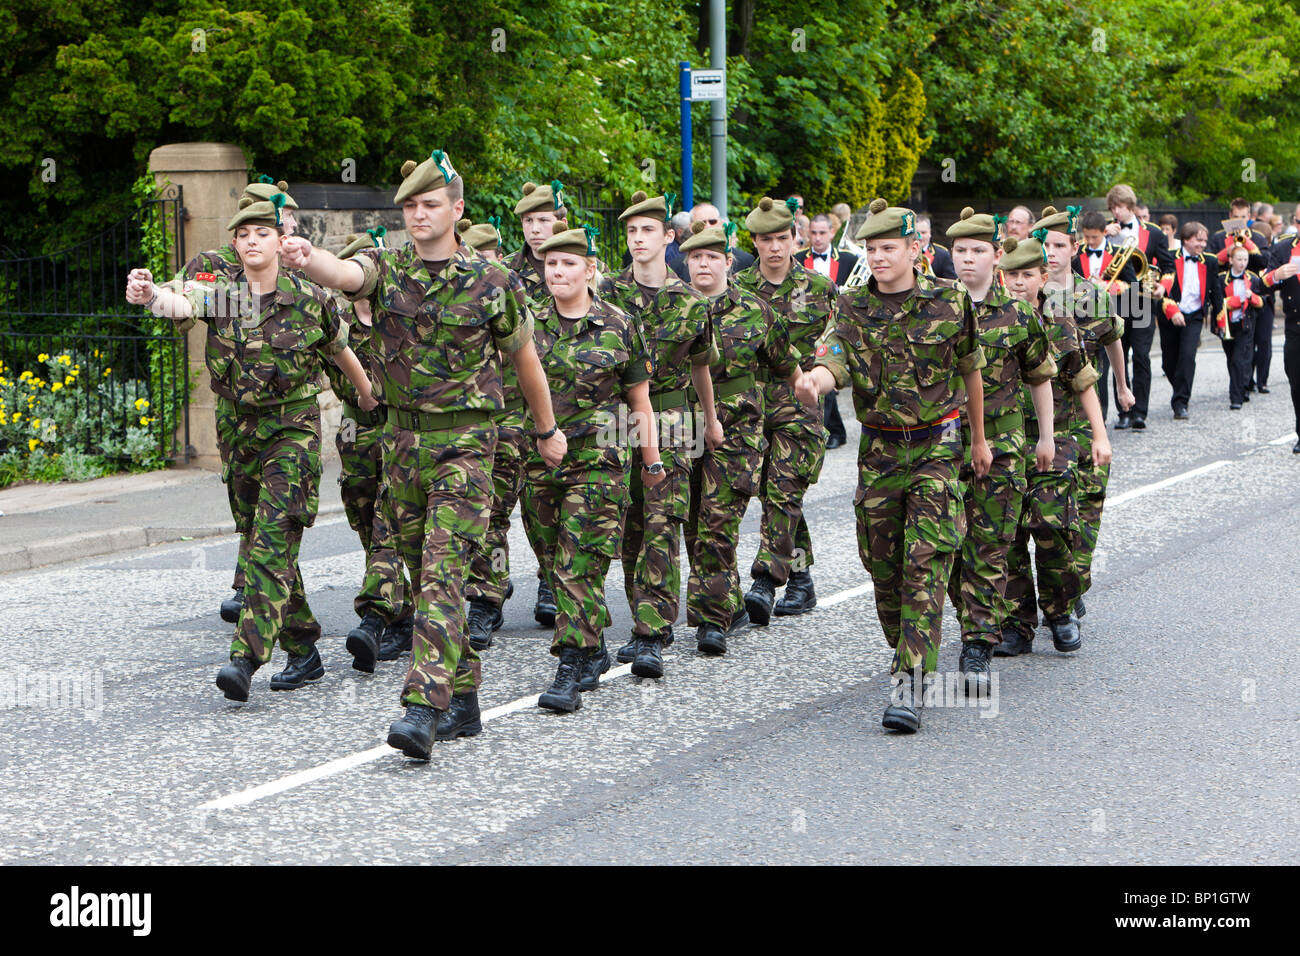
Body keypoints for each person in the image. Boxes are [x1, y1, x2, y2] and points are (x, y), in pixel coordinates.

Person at [280, 148, 565, 759]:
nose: (417, 213)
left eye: (429, 203)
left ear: (456, 210)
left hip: (466, 445)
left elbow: (525, 361)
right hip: (401, 447)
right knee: (420, 569)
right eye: (409, 204)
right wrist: (308, 257)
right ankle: (462, 698)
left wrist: (545, 432)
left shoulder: (494, 282)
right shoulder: (390, 269)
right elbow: (345, 275)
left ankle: (422, 704)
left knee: (441, 572)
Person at [126, 194, 379, 701]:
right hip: (239, 432)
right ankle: (303, 647)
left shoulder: (310, 297)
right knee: (259, 538)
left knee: (274, 532)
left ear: (279, 240)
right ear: (236, 245)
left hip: (294, 429)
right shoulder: (224, 295)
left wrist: (372, 400)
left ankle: (245, 658)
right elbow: (182, 302)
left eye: (262, 233)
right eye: (243, 235)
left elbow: (342, 351)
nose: (252, 242)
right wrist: (152, 296)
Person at [795, 197, 989, 733]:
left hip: (937, 448)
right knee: (884, 571)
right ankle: (907, 650)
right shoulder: (853, 306)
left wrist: (979, 440)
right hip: (879, 452)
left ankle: (910, 682)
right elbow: (834, 356)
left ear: (914, 249)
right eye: (871, 249)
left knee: (923, 563)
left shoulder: (950, 301)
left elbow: (971, 371)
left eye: (887, 248)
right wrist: (817, 380)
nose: (878, 258)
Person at [523, 222, 661, 710]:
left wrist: (653, 460)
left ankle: (571, 665)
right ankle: (593, 642)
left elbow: (639, 401)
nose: (557, 271)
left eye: (568, 263)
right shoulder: (527, 323)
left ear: (590, 269)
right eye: (551, 263)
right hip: (540, 461)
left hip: (600, 462)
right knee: (550, 558)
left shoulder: (619, 324)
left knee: (577, 561)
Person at [168, 175, 302, 625]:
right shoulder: (214, 266)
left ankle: (255, 589)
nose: (284, 228)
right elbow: (179, 298)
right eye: (272, 220)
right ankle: (257, 581)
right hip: (235, 408)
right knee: (246, 498)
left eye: (280, 223)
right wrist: (156, 297)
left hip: (288, 412)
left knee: (279, 509)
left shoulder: (294, 263)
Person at [606, 190, 722, 674]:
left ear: (668, 237)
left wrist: (711, 419)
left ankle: (651, 632)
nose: (638, 239)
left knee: (662, 523)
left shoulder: (691, 303)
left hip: (674, 421)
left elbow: (701, 369)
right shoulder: (607, 293)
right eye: (631, 231)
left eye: (647, 230)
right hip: (615, 424)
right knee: (629, 527)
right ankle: (647, 617)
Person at [942, 210, 1056, 692]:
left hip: (1004, 444)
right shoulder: (936, 308)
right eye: (960, 252)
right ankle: (970, 616)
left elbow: (1039, 377)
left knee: (991, 545)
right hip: (944, 445)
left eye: (978, 251)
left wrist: (1046, 436)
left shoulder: (1019, 314)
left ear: (996, 256)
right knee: (945, 545)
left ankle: (977, 643)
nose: (969, 260)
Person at [679, 220, 800, 656]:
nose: (704, 264)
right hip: (684, 425)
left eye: (712, 256)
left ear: (728, 261)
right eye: (696, 257)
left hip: (737, 430)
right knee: (693, 523)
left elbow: (788, 366)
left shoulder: (755, 310)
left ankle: (709, 620)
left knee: (718, 519)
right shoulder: (674, 310)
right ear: (686, 263)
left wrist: (797, 423)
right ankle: (727, 601)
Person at [998, 232, 1111, 656]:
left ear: (1043, 277)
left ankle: (1059, 609)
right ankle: (1017, 622)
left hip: (1058, 435)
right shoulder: (991, 321)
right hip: (1005, 440)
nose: (1018, 283)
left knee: (1048, 526)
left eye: (1027, 275)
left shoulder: (1059, 321)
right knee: (1005, 533)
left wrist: (1099, 435)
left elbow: (1083, 381)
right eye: (1011, 276)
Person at [736, 197, 837, 624]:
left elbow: (835, 346)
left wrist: (820, 378)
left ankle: (764, 579)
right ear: (754, 242)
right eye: (765, 240)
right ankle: (801, 577)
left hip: (800, 405)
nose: (774, 247)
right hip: (751, 407)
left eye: (782, 238)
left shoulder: (820, 290)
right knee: (775, 492)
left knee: (782, 489)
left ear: (795, 239)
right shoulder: (738, 290)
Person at [1034, 204, 1132, 630]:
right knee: (1048, 516)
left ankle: (1073, 585)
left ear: (1074, 247)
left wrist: (1123, 387)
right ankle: (1058, 598)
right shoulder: (1027, 296)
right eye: (1044, 245)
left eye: (1059, 245)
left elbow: (1112, 341)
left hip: (1083, 412)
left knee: (1087, 511)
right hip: (1043, 420)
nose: (1051, 253)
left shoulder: (1091, 294)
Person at [328, 229, 415, 671]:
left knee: (389, 521)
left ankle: (375, 617)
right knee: (365, 520)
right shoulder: (335, 320)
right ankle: (401, 608)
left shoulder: (399, 316)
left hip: (399, 432)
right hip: (354, 434)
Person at [505, 180, 568, 627]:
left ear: (559, 219)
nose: (535, 229)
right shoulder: (508, 274)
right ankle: (548, 575)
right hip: (522, 403)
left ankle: (572, 580)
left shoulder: (578, 263)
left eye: (542, 219)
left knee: (578, 493)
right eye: (528, 221)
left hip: (576, 396)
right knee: (535, 496)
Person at [1102, 184, 1175, 430]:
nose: (1115, 212)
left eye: (1119, 207)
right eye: (1112, 207)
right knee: (1118, 356)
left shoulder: (1153, 233)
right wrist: (1104, 236)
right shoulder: (1106, 231)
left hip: (1143, 301)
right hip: (1118, 301)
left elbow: (1169, 266)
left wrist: (1163, 287)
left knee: (1142, 357)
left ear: (1130, 207)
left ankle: (1140, 412)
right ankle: (1124, 411)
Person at [1159, 221, 1224, 421]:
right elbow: (1159, 288)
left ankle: (1181, 403)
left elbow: (1216, 291)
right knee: (1169, 362)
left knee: (1187, 357)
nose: (1203, 244)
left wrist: (1220, 320)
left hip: (1195, 315)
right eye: (1199, 240)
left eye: (1205, 240)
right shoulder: (1169, 258)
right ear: (1186, 239)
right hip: (1170, 312)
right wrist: (1172, 310)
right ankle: (1181, 387)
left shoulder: (1211, 261)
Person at [1263, 209, 1300, 453]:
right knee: (1297, 382)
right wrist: (1276, 275)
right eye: (1299, 221)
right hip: (1295, 326)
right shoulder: (1284, 248)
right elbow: (1260, 284)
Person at [1214, 244, 1265, 410]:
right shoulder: (1221, 279)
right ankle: (1242, 387)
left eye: (1245, 259)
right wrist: (1235, 301)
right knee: (1232, 360)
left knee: (1239, 358)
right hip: (1228, 324)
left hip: (1246, 324)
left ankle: (1235, 398)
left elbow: (1262, 303)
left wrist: (1252, 297)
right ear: (1230, 260)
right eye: (1239, 259)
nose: (1242, 263)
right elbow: (1218, 303)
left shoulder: (1253, 279)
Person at [670, 203, 754, 281]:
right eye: (702, 223)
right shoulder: (677, 266)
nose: (708, 226)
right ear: (691, 227)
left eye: (713, 221)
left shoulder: (745, 260)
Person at [916, 214, 957, 279]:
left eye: (923, 232)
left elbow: (951, 282)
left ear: (930, 233)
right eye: (916, 233)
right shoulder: (904, 253)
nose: (920, 237)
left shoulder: (942, 255)